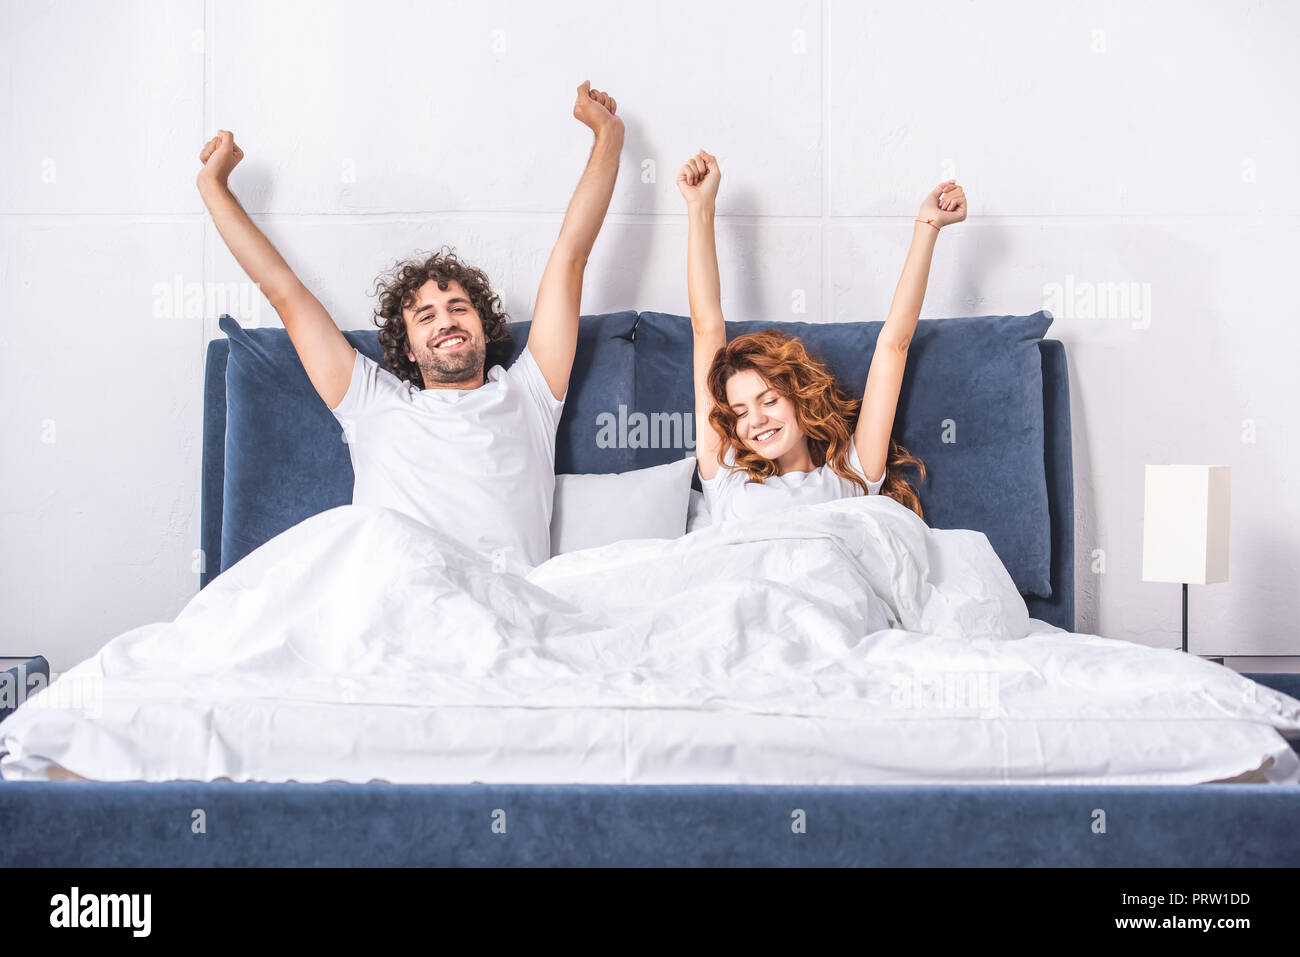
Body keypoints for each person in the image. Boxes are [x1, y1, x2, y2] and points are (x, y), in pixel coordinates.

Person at [196, 82, 624, 571]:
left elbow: (572, 256)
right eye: (426, 316)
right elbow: (283, 293)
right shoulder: (372, 402)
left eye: (459, 308)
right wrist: (214, 187)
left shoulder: (530, 393)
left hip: (506, 615)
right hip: (399, 604)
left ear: (483, 328)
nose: (446, 320)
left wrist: (607, 136)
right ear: (411, 351)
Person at [677, 149, 967, 523]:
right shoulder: (726, 480)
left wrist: (928, 226)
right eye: (740, 412)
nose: (756, 420)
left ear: (800, 397)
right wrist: (700, 208)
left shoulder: (852, 474)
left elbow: (894, 343)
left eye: (768, 400)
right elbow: (706, 328)